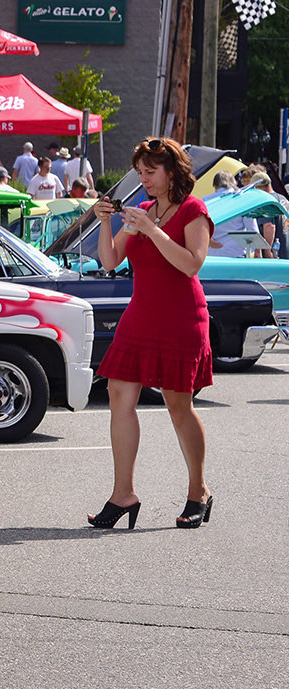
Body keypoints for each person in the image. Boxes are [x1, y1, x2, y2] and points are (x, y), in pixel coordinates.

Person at [87, 137, 215, 532]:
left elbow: (192, 265)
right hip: (140, 316)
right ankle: (123, 494)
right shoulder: (142, 210)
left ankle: (199, 491)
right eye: (140, 172)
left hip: (181, 319)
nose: (144, 180)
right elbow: (109, 261)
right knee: (118, 394)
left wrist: (153, 230)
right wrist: (105, 221)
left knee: (178, 406)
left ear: (172, 172)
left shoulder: (194, 210)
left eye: (151, 172)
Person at [206, 171, 257, 258]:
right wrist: (254, 249)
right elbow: (252, 229)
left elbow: (201, 227)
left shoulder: (206, 200)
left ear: (215, 184)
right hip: (236, 252)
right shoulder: (242, 199)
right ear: (233, 182)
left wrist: (210, 241)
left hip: (212, 253)